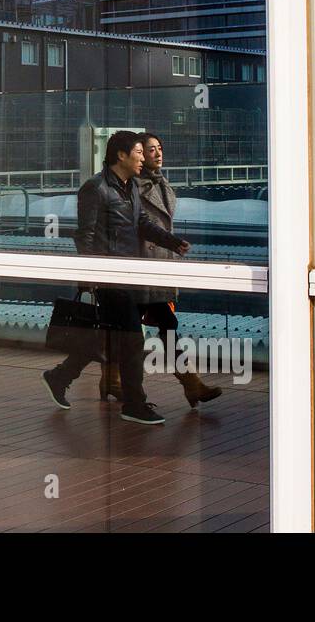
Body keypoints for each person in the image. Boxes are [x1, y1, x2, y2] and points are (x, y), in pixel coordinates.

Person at [43, 131, 191, 425]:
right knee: (133, 339)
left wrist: (171, 241)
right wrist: (92, 276)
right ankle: (134, 404)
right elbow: (84, 235)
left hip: (129, 274)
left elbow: (141, 223)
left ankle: (59, 376)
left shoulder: (129, 187)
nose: (143, 158)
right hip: (109, 279)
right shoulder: (95, 189)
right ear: (121, 156)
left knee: (107, 336)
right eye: (138, 152)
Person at [138, 133, 222, 408]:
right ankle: (190, 384)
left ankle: (113, 380)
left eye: (160, 148)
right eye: (151, 150)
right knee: (158, 327)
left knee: (144, 328)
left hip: (159, 264)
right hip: (142, 265)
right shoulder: (134, 187)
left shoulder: (161, 182)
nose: (158, 153)